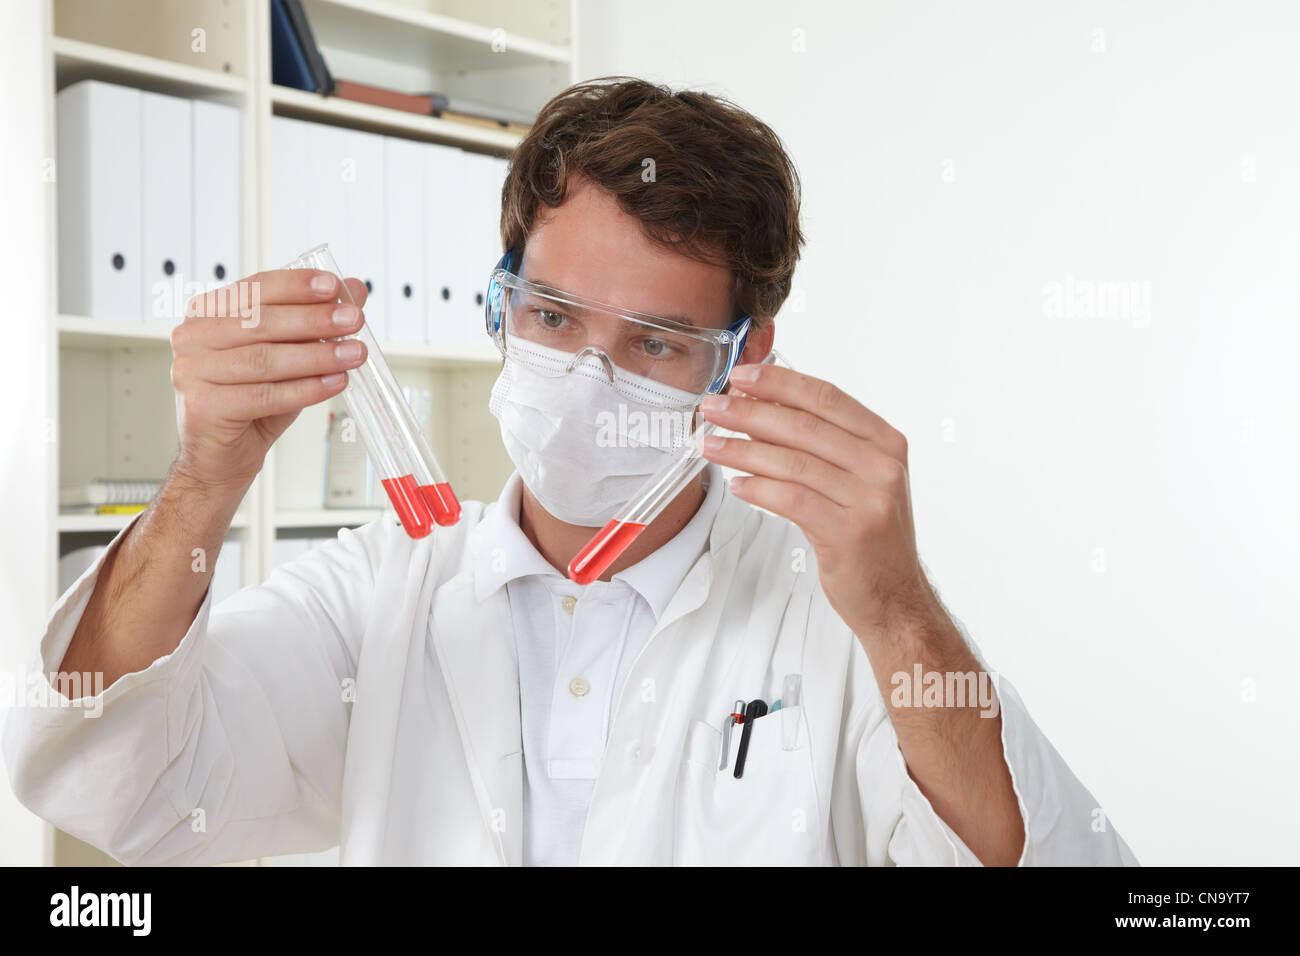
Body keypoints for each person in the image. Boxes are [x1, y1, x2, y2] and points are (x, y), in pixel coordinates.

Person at [3, 76, 1137, 866]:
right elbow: (129, 787)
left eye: (652, 342)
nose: (588, 379)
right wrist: (204, 477)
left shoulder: (829, 617)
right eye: (549, 315)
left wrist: (893, 605)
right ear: (499, 301)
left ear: (746, 362)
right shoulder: (387, 585)